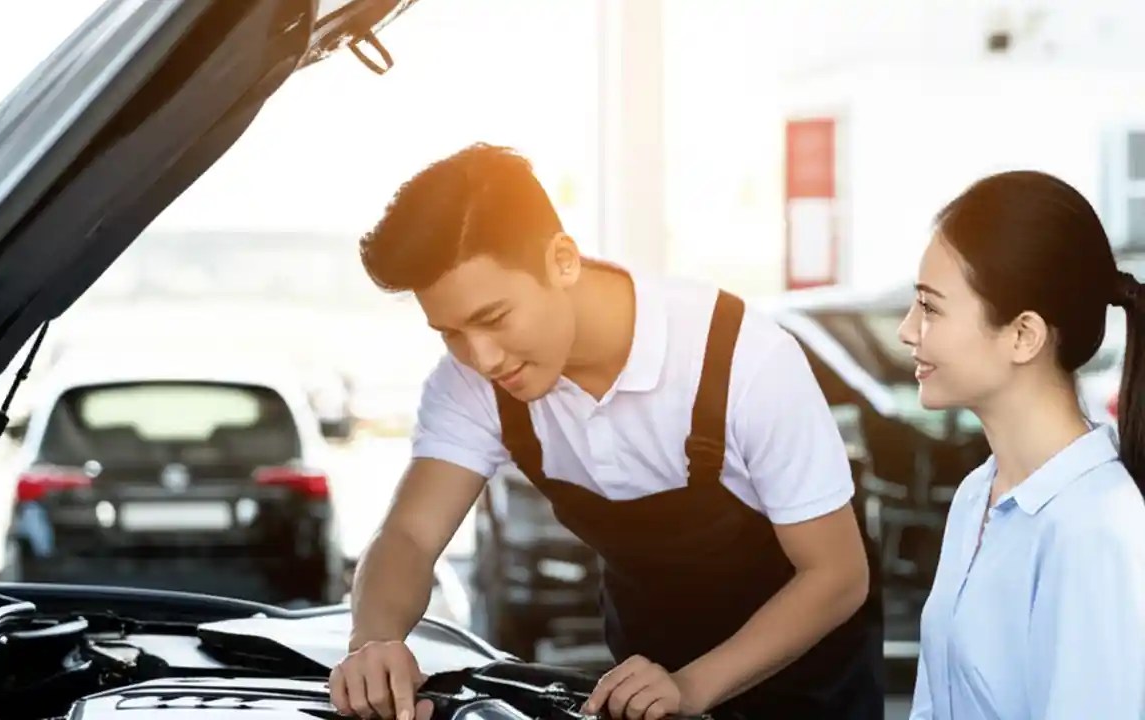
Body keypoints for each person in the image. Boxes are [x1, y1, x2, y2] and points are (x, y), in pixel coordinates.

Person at [328, 143, 884, 720]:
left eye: (493, 319)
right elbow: (410, 536)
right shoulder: (472, 382)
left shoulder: (739, 358)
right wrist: (374, 642)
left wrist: (692, 687)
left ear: (562, 261)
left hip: (809, 688)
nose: (482, 356)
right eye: (449, 332)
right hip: (646, 691)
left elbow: (837, 575)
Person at [903, 170, 1145, 718]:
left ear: (1023, 335)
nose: (907, 329)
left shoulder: (1097, 528)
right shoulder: (975, 496)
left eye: (931, 307)